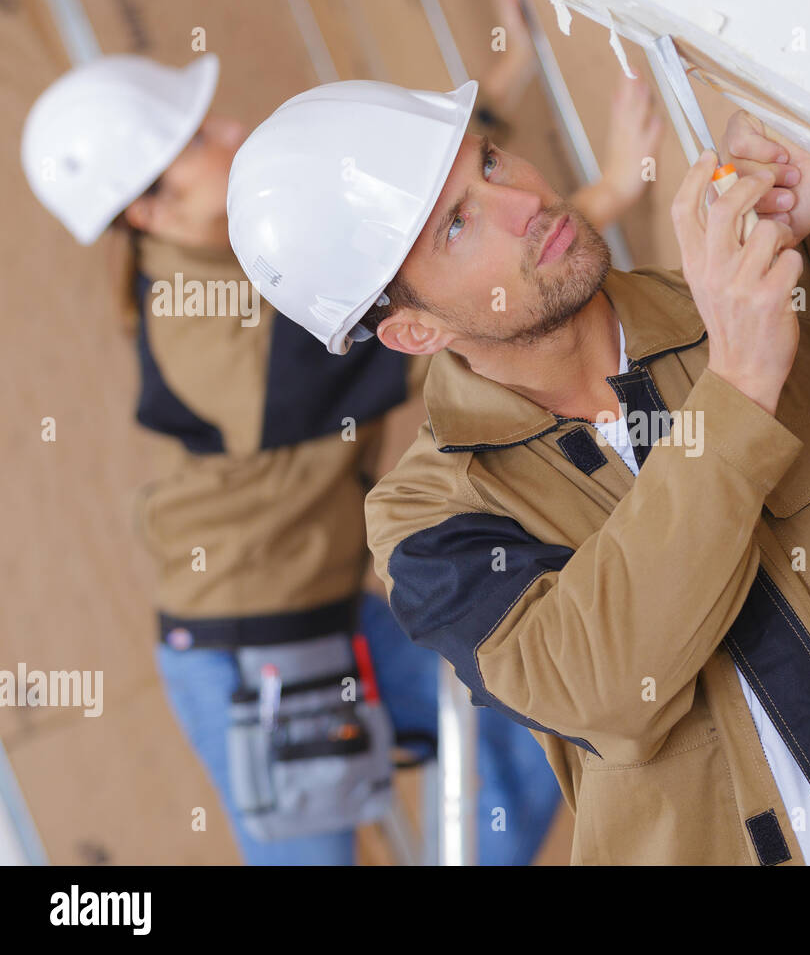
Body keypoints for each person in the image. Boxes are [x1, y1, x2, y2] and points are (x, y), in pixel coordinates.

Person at [227, 77, 810, 865]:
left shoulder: (797, 299)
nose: (525, 202)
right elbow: (599, 679)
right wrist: (743, 381)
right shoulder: (432, 518)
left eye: (491, 162)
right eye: (458, 223)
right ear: (413, 331)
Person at [21, 54, 556, 865]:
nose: (231, 131)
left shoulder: (232, 257)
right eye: (198, 139)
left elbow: (395, 228)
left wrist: (497, 100)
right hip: (249, 646)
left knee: (530, 725)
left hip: (328, 606)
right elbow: (419, 311)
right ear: (148, 209)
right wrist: (599, 204)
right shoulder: (202, 327)